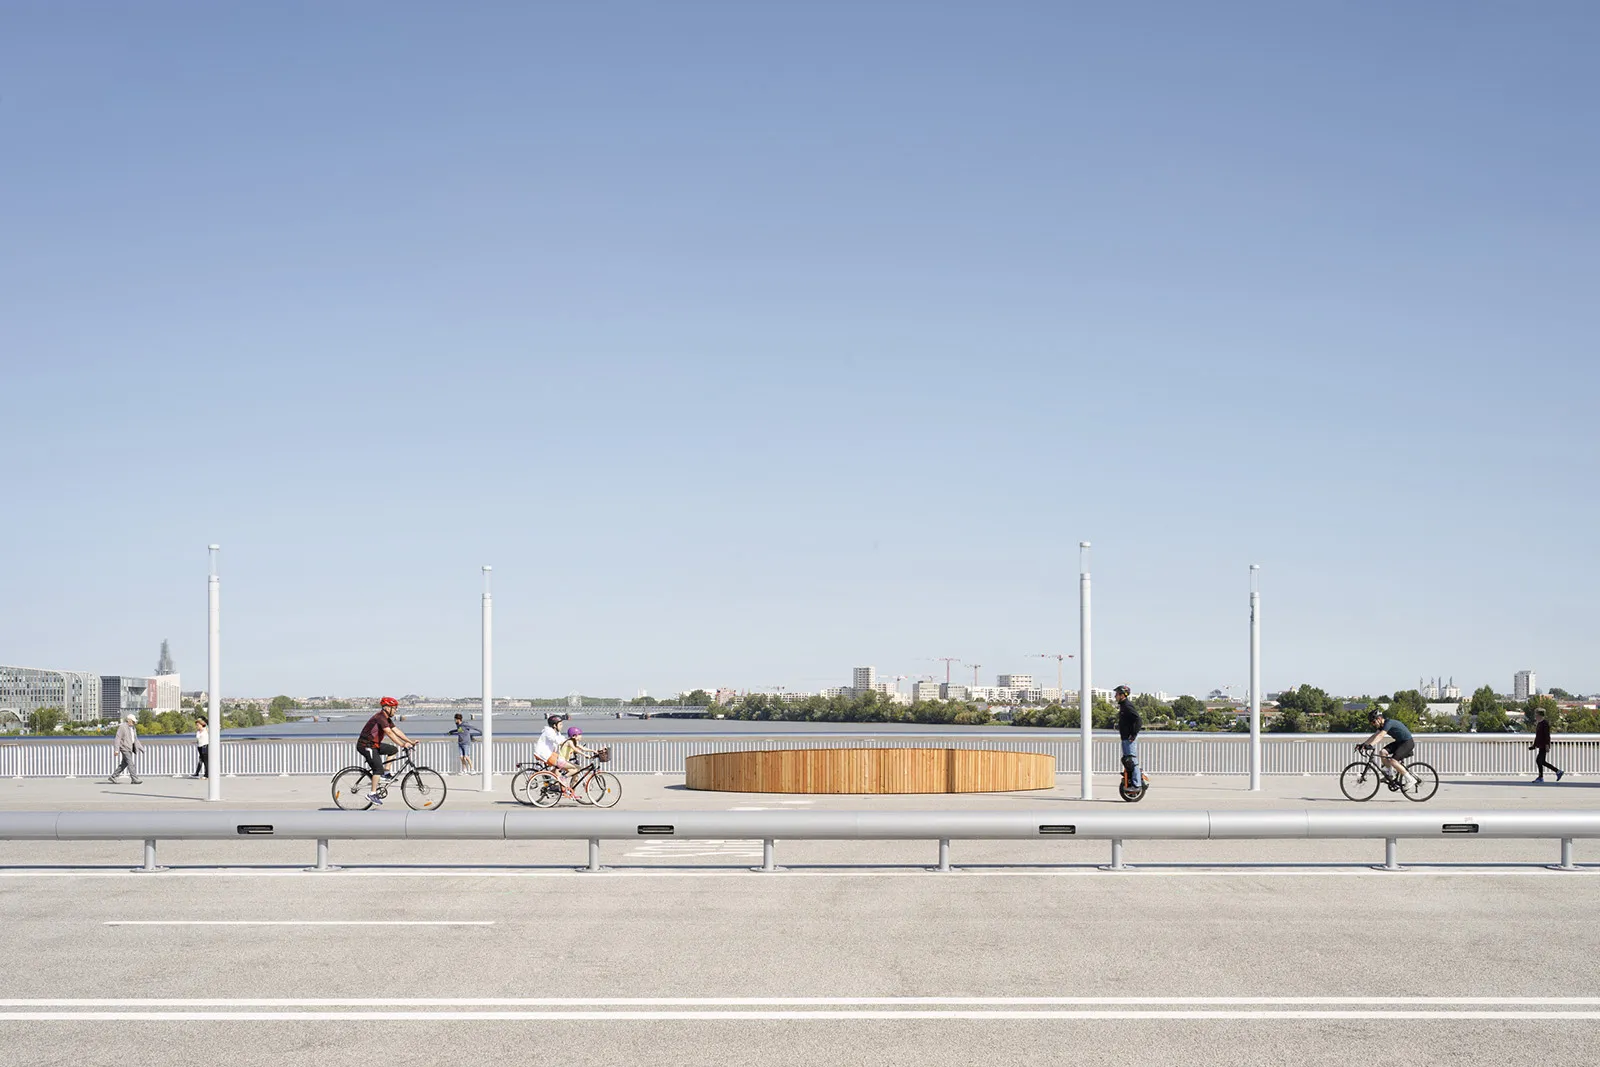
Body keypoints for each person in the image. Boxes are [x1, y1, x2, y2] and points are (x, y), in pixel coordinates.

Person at [356, 697, 416, 806]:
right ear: (387, 708)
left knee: (393, 750)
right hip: (366, 745)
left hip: (374, 744)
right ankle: (372, 794)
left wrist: (410, 742)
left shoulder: (387, 718)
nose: (396, 710)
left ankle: (386, 773)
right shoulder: (380, 717)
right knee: (378, 769)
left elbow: (396, 731)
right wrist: (403, 744)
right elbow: (389, 733)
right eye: (395, 708)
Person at [1359, 709, 1418, 790]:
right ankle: (1390, 774)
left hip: (1407, 743)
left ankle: (1411, 780)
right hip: (1399, 742)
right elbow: (1374, 736)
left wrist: (1371, 745)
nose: (1373, 724)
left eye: (1373, 722)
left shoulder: (1388, 723)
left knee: (1393, 761)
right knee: (1382, 752)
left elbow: (1380, 736)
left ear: (1379, 719)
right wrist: (1364, 744)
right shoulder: (1382, 726)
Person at [1115, 685, 1144, 789]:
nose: (1115, 696)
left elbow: (1138, 720)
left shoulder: (1127, 705)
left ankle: (1137, 784)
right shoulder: (1123, 706)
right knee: (1126, 760)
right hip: (1125, 738)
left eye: (1117, 694)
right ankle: (1130, 777)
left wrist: (1134, 734)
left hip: (1129, 738)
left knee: (1132, 760)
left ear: (1123, 695)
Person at [533, 713, 574, 785]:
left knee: (559, 767)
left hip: (550, 753)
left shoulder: (557, 733)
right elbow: (556, 740)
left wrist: (573, 743)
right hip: (545, 754)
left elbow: (563, 739)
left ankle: (549, 782)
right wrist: (566, 743)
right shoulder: (549, 731)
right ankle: (559, 787)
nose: (562, 726)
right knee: (561, 765)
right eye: (560, 724)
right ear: (555, 725)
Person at [108, 713, 145, 785]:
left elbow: (135, 739)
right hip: (124, 748)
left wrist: (141, 748)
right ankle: (134, 779)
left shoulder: (133, 728)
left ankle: (113, 776)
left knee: (124, 764)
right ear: (129, 720)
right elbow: (117, 738)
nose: (134, 723)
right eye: (133, 721)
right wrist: (116, 750)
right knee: (130, 763)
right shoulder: (122, 727)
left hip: (130, 748)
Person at [1530, 708, 1564, 783]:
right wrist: (1534, 745)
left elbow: (1547, 735)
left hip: (1543, 746)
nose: (1535, 716)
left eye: (1536, 714)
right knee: (1542, 761)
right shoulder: (1539, 723)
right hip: (1540, 745)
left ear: (1540, 715)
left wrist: (1547, 745)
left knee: (1539, 761)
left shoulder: (1545, 723)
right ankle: (1558, 771)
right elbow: (1537, 736)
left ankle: (1541, 777)